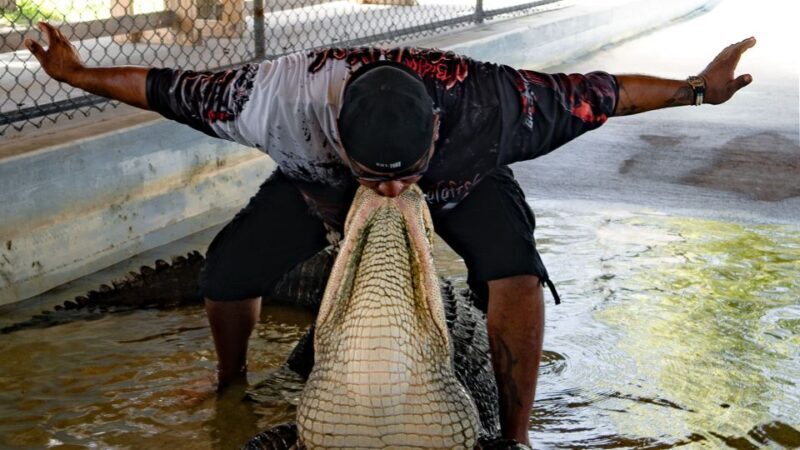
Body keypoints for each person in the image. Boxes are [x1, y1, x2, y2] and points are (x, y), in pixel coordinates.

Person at [25, 21, 754, 446]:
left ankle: (517, 435)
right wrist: (78, 74)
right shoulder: (270, 100)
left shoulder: (495, 104)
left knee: (515, 273)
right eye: (377, 173)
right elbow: (161, 87)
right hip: (319, 187)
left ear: (437, 126)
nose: (392, 189)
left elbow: (609, 93)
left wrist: (698, 89)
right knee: (226, 273)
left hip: (465, 181)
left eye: (403, 173)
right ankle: (229, 379)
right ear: (338, 132)